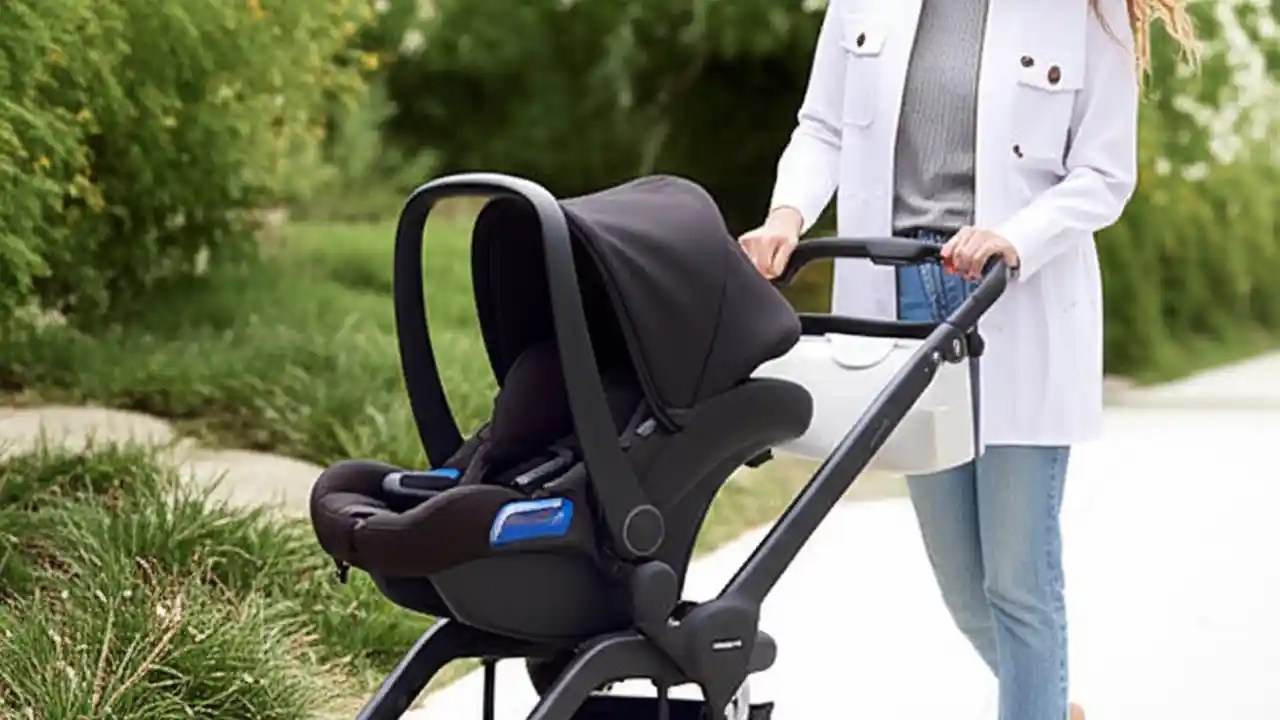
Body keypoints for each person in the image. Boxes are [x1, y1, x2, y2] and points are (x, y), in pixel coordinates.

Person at [739, 1, 1199, 719]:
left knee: (1018, 583)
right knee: (961, 584)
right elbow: (822, 126)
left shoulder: (1084, 14)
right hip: (902, 310)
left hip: (1016, 302)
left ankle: (1034, 703)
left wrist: (1017, 237)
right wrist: (786, 214)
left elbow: (1104, 174)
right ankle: (1047, 702)